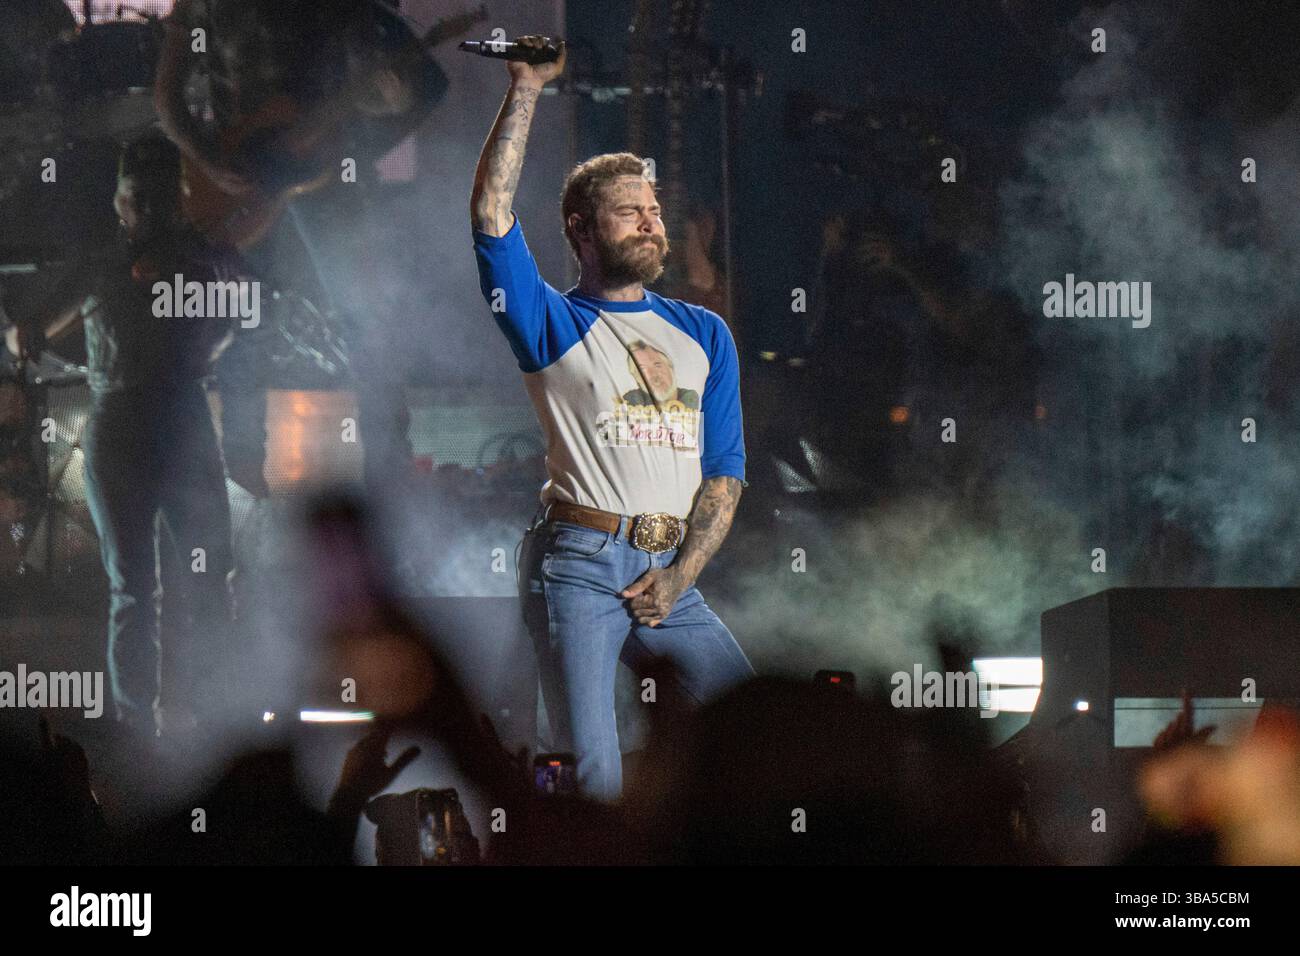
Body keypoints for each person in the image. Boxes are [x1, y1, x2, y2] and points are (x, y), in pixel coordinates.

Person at [469, 36, 754, 801]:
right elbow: (492, 214)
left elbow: (725, 472)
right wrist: (527, 85)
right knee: (589, 769)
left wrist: (682, 574)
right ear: (581, 231)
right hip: (580, 563)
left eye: (655, 210)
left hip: (672, 575)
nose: (652, 224)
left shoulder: (705, 334)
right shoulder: (550, 322)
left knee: (754, 729)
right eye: (630, 213)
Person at [5, 133, 244, 740]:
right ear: (120, 201)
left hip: (174, 414)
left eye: (158, 197)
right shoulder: (104, 263)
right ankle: (143, 728)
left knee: (202, 572)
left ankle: (213, 717)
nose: (147, 209)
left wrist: (185, 286)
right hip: (128, 418)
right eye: (138, 197)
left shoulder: (197, 255)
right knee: (137, 584)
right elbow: (28, 331)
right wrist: (26, 333)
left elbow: (229, 325)